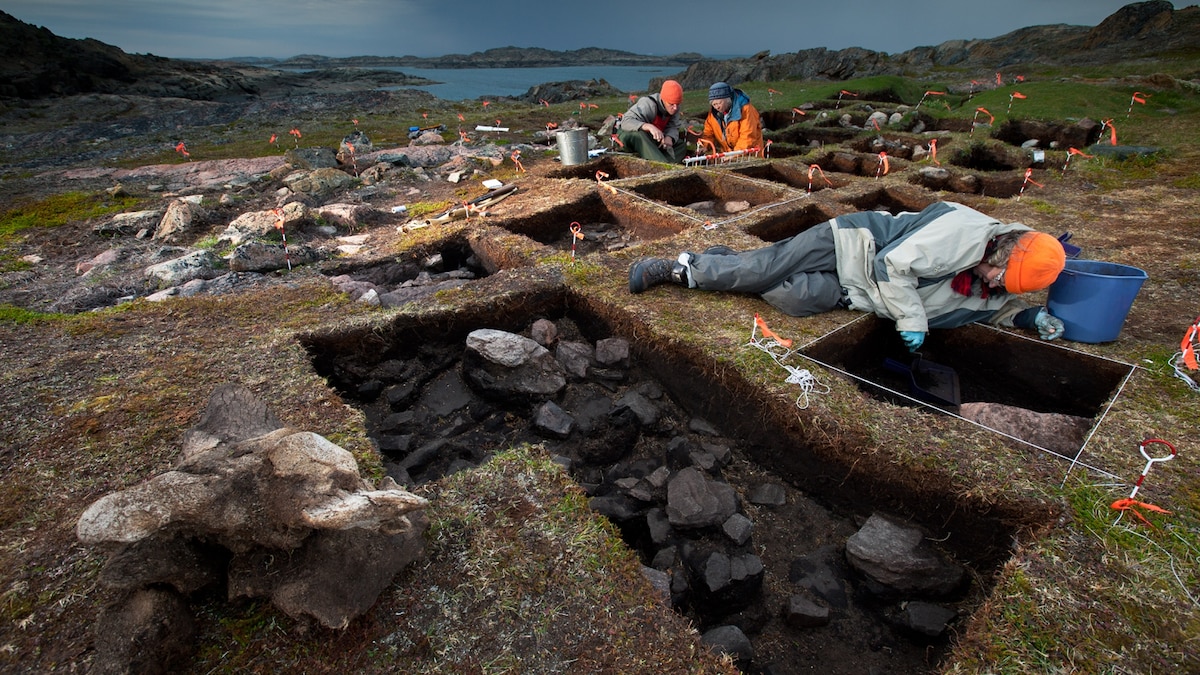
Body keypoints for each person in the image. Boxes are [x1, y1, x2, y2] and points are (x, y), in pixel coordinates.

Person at [628, 201, 1068, 350]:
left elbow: (991, 310)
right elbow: (891, 264)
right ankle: (678, 269)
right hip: (852, 245)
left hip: (854, 290)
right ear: (1003, 248)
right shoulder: (963, 231)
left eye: (1004, 287)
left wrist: (1027, 318)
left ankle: (727, 261)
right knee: (766, 267)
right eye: (998, 276)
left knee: (791, 298)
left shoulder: (994, 280)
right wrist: (913, 320)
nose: (993, 284)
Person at [617, 80, 687, 164]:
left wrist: (669, 137)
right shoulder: (648, 104)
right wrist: (648, 127)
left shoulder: (675, 108)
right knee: (640, 136)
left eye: (677, 104)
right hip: (629, 135)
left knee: (681, 145)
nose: (675, 108)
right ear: (663, 99)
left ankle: (666, 163)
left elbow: (673, 126)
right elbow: (625, 121)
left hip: (652, 139)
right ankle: (661, 166)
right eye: (671, 104)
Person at [698, 81, 763, 156]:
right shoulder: (714, 113)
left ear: (728, 99)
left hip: (750, 156)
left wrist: (734, 154)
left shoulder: (746, 109)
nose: (717, 107)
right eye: (714, 104)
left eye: (719, 103)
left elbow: (748, 136)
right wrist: (706, 146)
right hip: (727, 155)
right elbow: (708, 132)